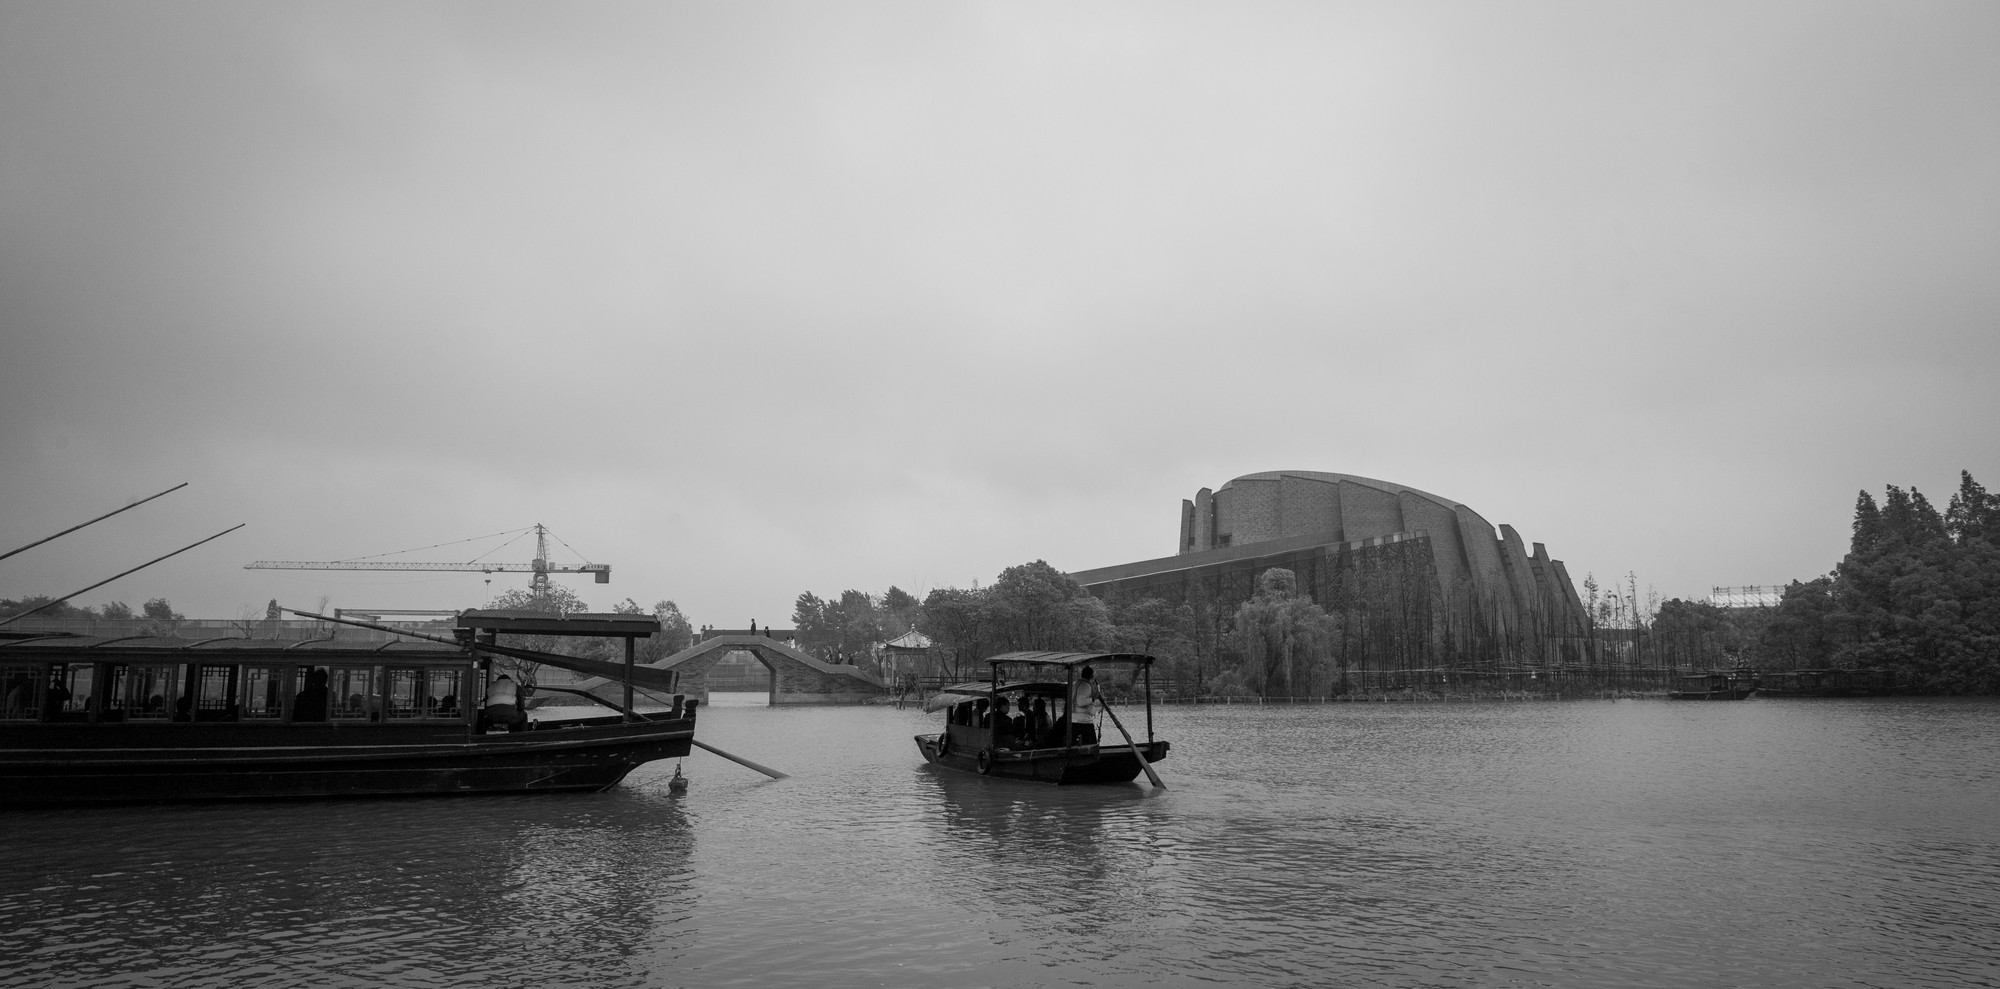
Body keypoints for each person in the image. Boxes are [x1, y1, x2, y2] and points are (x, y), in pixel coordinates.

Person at [1069, 667, 1100, 745]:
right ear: (1091, 675)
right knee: (1090, 744)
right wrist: (1094, 698)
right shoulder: (1085, 685)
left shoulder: (1076, 684)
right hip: (1083, 722)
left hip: (1074, 720)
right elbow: (1080, 702)